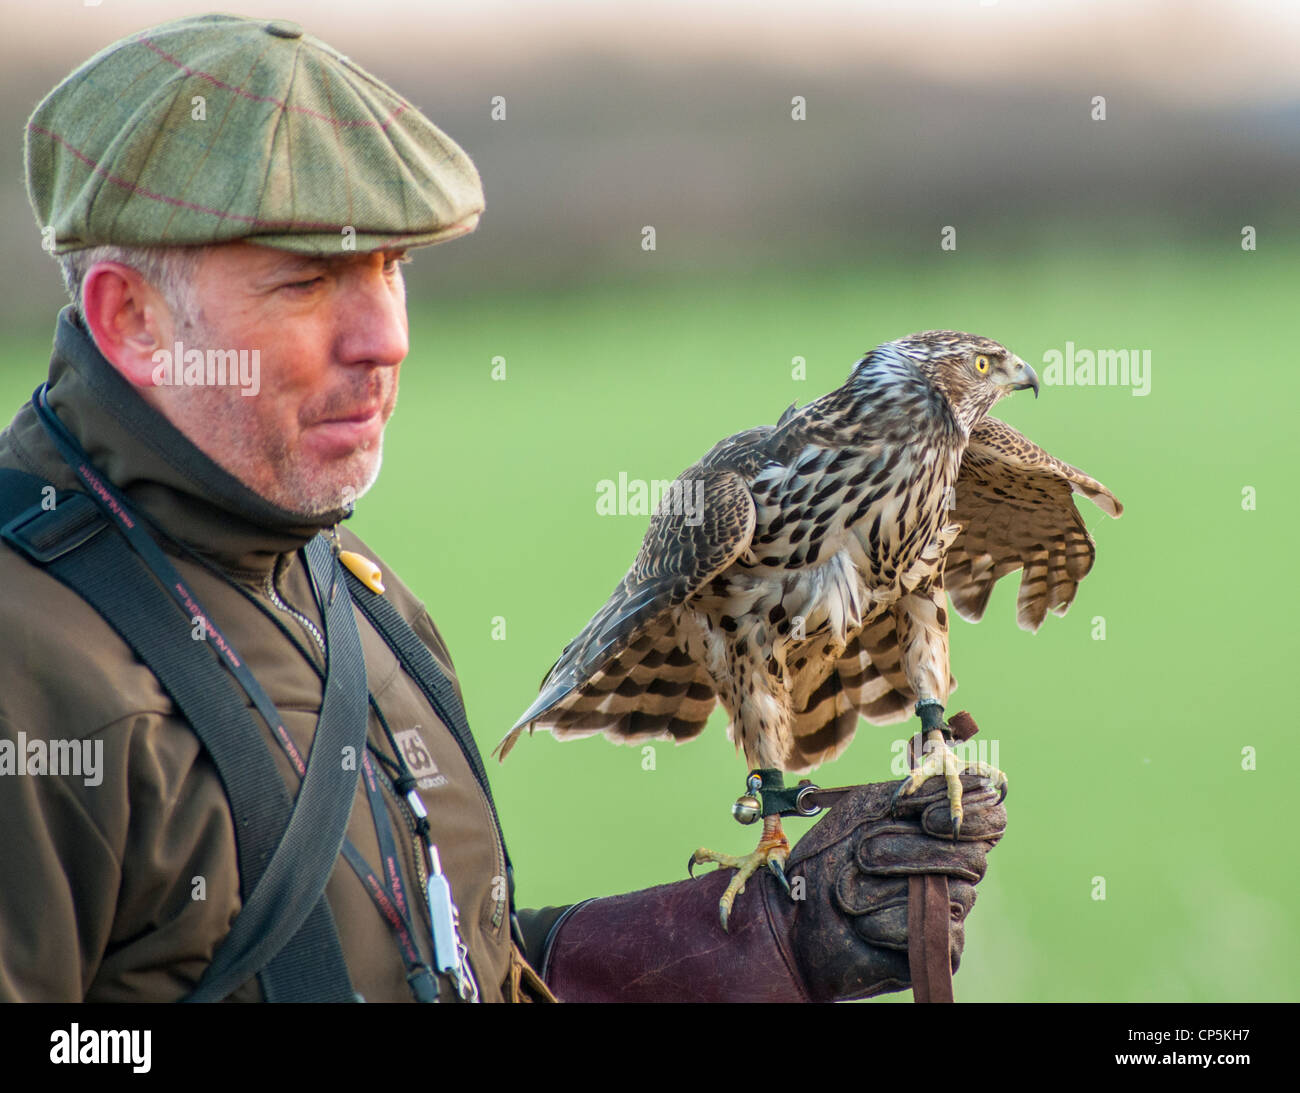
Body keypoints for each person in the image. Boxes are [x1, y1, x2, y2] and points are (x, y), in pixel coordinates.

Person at [0, 13, 1005, 1003]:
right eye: (306, 283)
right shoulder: (28, 662)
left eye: (391, 269)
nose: (383, 337)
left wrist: (748, 952)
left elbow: (433, 976)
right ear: (130, 318)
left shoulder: (361, 607)